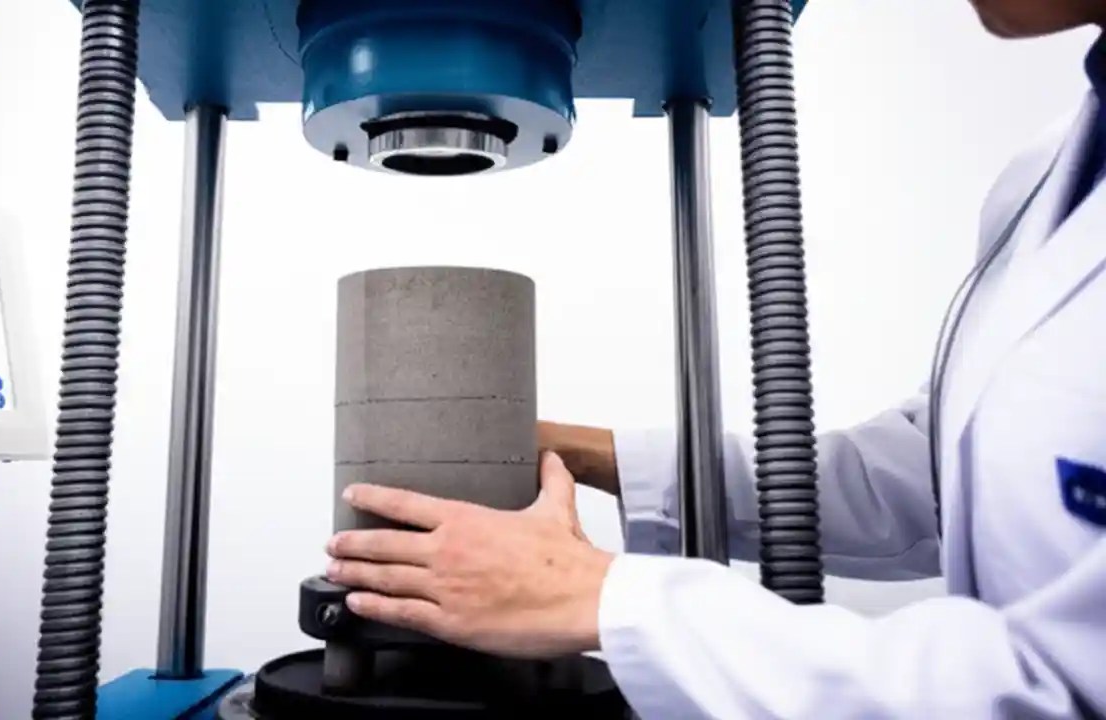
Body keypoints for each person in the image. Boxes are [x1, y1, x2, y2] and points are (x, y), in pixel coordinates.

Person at [324, 1, 1106, 716]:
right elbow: (931, 478)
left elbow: (1058, 689)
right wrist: (582, 455)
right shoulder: (1043, 183)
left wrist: (604, 599)